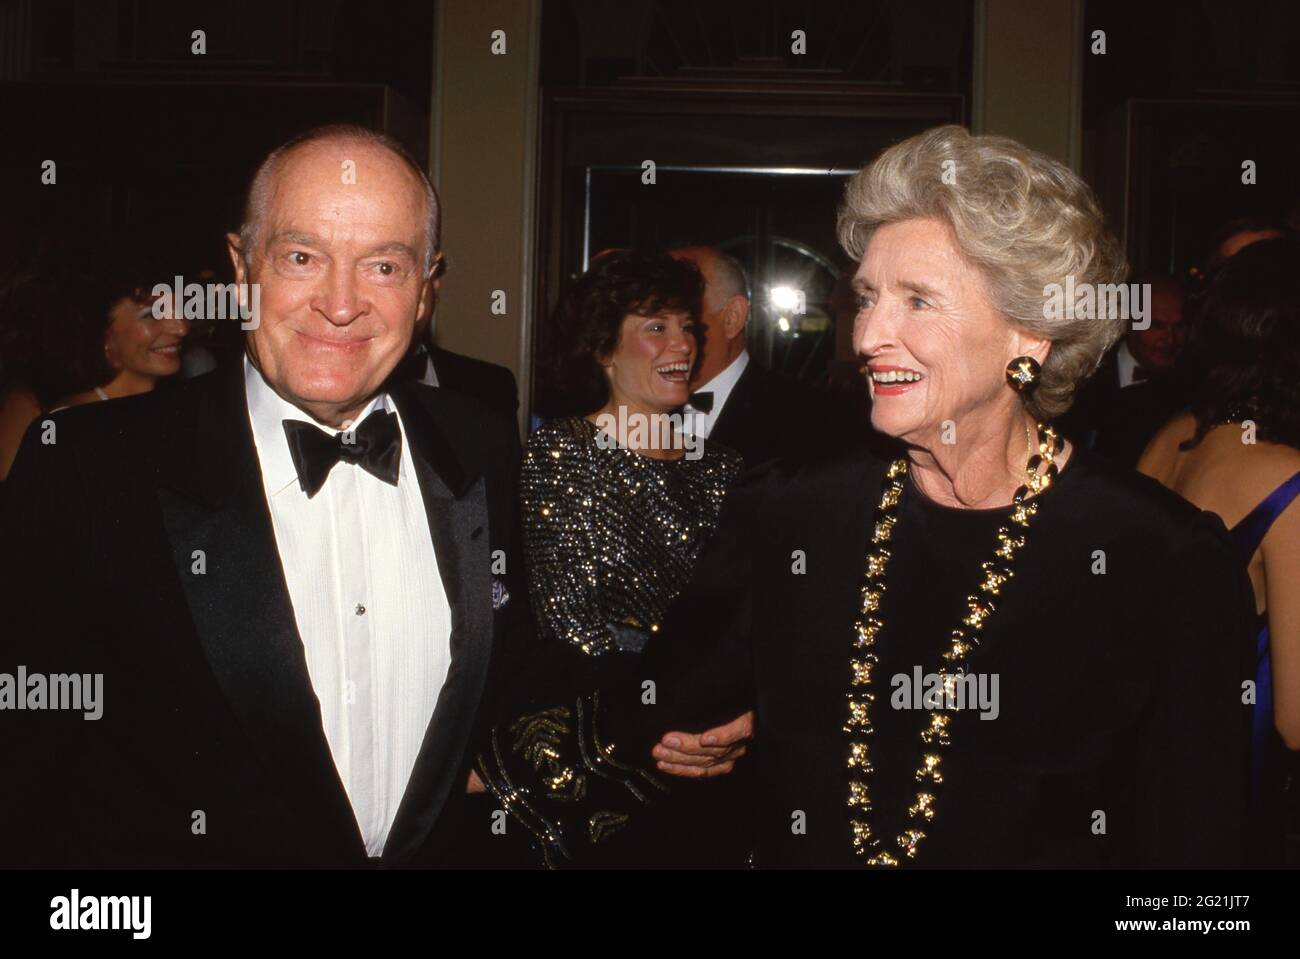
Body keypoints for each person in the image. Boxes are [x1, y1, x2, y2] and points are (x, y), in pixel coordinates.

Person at [474, 126, 1255, 868]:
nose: (868, 334)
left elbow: (1201, 870)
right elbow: (654, 702)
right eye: (868, 296)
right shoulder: (792, 511)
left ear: (1032, 331)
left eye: (917, 299)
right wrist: (443, 784)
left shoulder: (1160, 559)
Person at [0, 124, 532, 867]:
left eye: (383, 264)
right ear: (240, 267)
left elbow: (515, 681)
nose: (340, 304)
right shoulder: (90, 470)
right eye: (302, 257)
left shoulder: (481, 447)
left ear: (425, 290)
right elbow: (25, 768)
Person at [474, 249, 748, 865]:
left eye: (687, 326)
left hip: (711, 761)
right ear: (603, 348)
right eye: (655, 327)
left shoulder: (724, 470)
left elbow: (745, 622)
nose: (681, 343)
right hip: (600, 762)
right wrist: (677, 712)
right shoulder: (562, 454)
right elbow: (573, 633)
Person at [1138, 236, 1300, 865]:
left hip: (1143, 789)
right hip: (1227, 806)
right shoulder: (1287, 478)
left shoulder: (1171, 438)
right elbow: (1294, 720)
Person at [670, 245, 855, 466]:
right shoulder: (631, 410)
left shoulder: (810, 420)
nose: (662, 339)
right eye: (653, 325)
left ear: (732, 318)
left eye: (682, 319)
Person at [1058, 272, 1188, 465]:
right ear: (1128, 323)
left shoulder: (1189, 384)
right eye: (1156, 326)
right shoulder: (1084, 377)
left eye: (1178, 327)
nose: (1169, 340)